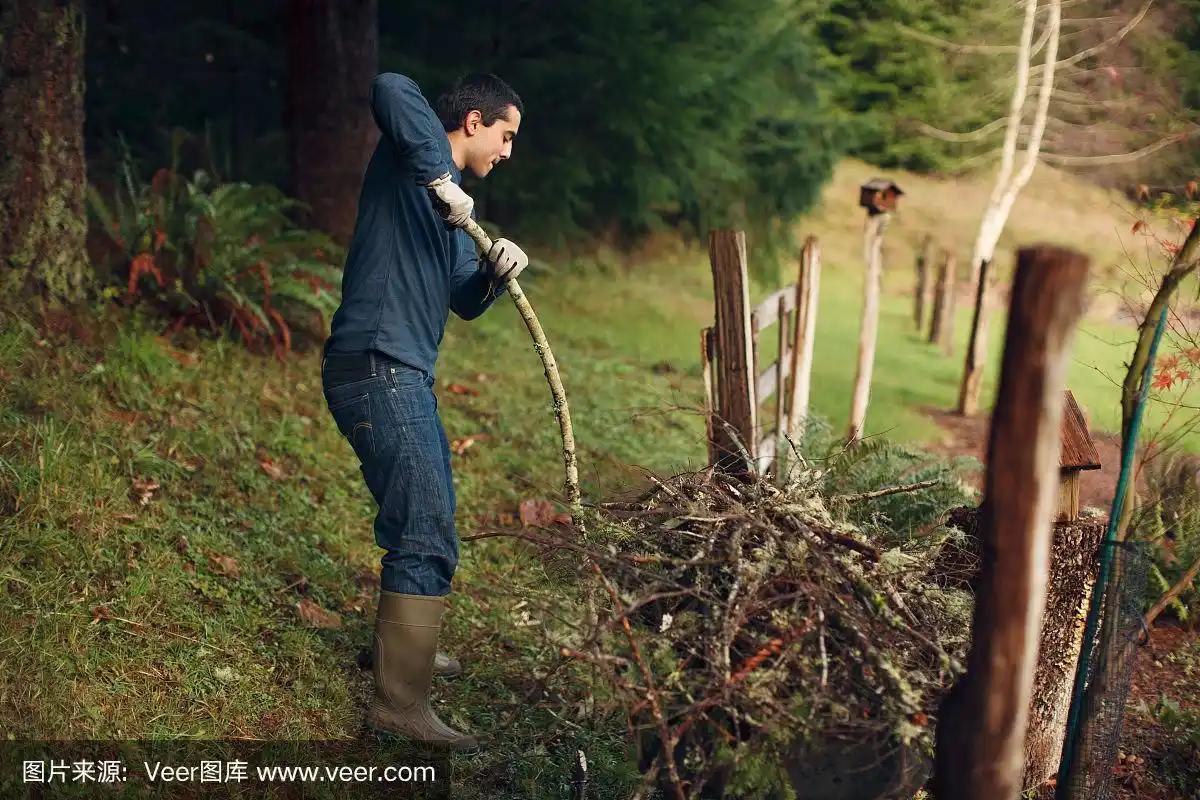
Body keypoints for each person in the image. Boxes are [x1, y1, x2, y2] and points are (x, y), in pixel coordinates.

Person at [320, 71, 528, 750]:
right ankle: (398, 705)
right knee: (424, 527)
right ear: (473, 122)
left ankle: (402, 649)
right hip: (378, 366)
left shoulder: (453, 216)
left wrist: (494, 272)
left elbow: (462, 298)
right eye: (505, 135)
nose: (507, 151)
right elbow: (389, 85)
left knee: (428, 513)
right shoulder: (416, 161)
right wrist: (441, 179)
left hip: (403, 373)